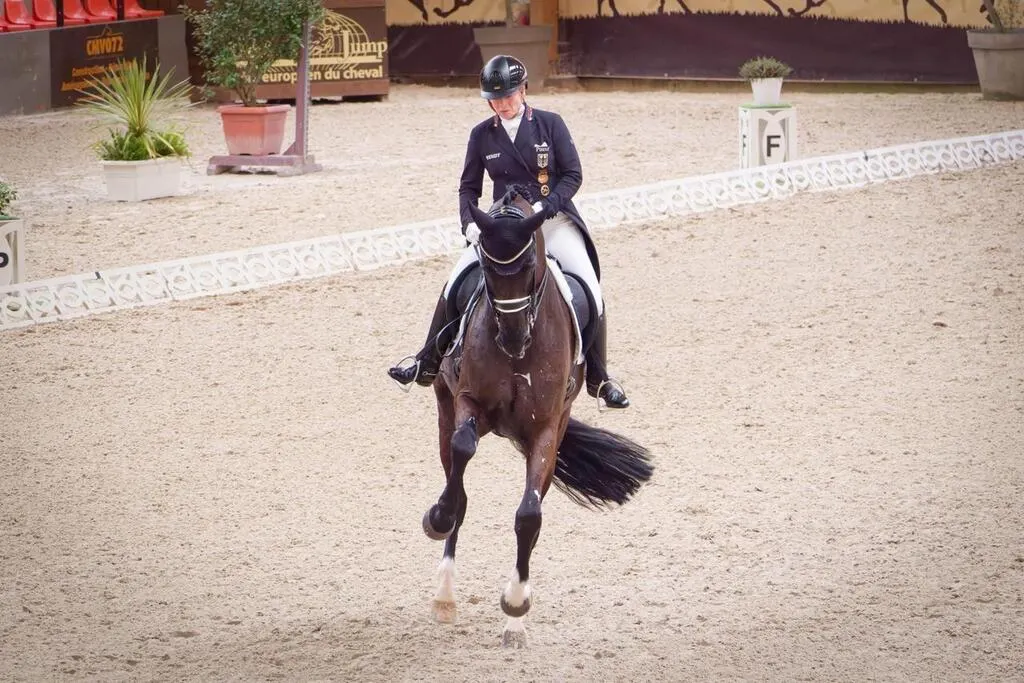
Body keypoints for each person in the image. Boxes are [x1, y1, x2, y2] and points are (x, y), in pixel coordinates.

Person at [387, 54, 629, 410]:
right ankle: (427, 359)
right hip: (504, 228)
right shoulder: (482, 135)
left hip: (552, 221)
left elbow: (573, 175)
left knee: (590, 287)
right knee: (454, 282)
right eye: (494, 99)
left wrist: (551, 205)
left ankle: (599, 376)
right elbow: (468, 188)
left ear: (524, 90)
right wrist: (469, 223)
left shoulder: (550, 124)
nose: (502, 104)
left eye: (508, 96)